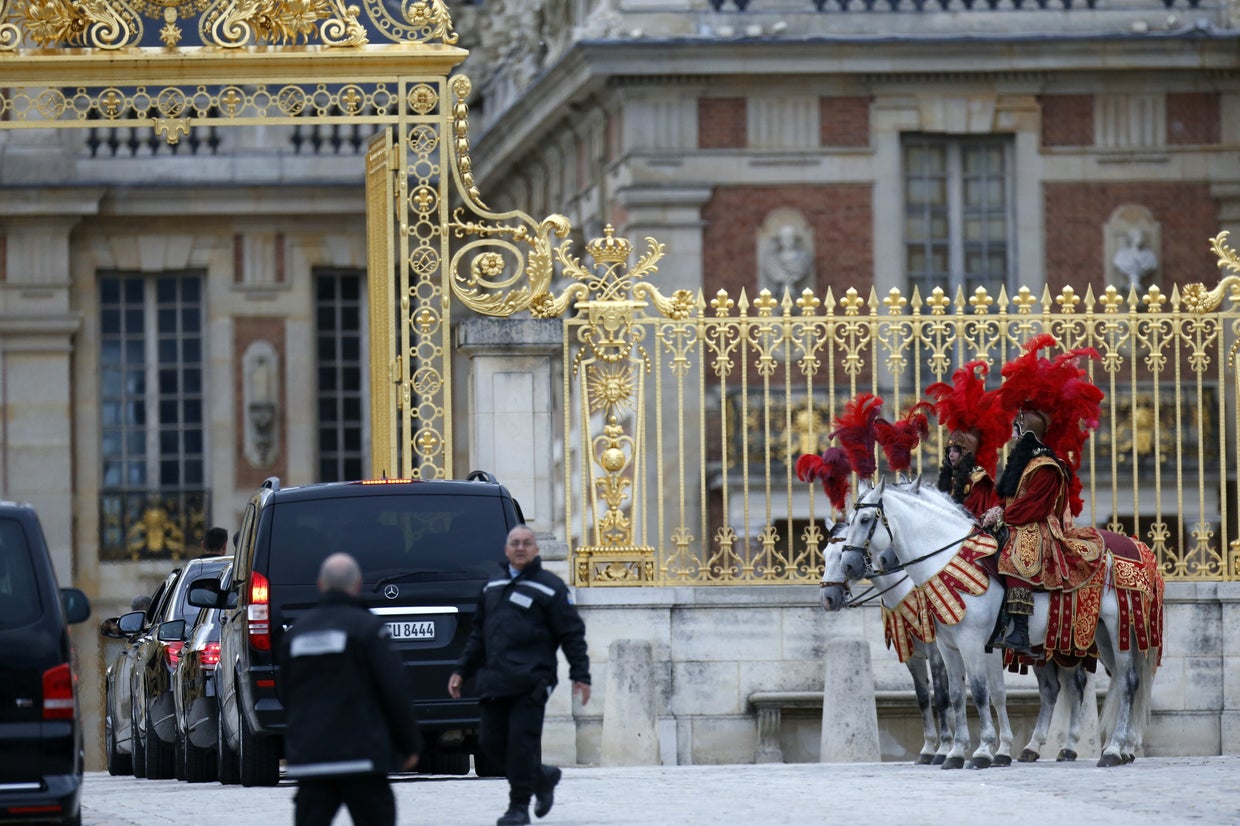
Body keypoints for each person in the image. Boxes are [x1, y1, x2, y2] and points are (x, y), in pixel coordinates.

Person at [448, 526, 591, 826]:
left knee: (521, 743)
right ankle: (542, 777)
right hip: (494, 679)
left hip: (532, 680)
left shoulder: (550, 587)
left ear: (536, 550)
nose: (521, 548)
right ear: (506, 549)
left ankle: (518, 807)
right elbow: (478, 636)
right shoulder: (492, 586)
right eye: (515, 543)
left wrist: (581, 674)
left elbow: (572, 633)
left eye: (527, 543)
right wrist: (462, 670)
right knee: (491, 743)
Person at [278, 553, 422, 826]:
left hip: (312, 760)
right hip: (362, 757)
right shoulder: (367, 629)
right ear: (357, 585)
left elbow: (286, 693)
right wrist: (410, 744)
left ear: (321, 585)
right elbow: (394, 690)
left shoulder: (296, 634)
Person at [983, 337, 1106, 656]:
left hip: (1038, 528)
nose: (1015, 425)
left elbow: (1033, 507)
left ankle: (1021, 631)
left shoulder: (1048, 464)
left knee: (1018, 551)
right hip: (1018, 521)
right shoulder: (1024, 460)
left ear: (1032, 423)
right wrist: (997, 511)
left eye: (1020, 419)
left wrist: (1003, 515)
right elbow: (1011, 497)